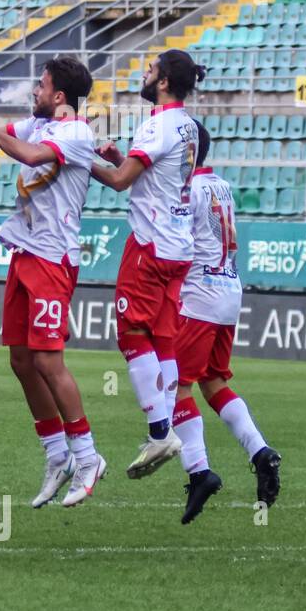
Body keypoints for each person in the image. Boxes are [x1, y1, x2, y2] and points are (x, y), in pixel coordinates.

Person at [0, 57, 107, 508]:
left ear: (59, 96)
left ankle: (88, 455)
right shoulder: (39, 124)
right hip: (25, 252)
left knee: (48, 360)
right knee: (21, 360)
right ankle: (57, 454)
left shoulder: (75, 132)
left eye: (40, 85)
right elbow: (4, 137)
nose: (34, 92)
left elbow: (29, 156)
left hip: (53, 259)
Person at [90, 50, 204, 498]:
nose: (144, 72)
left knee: (131, 332)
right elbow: (149, 174)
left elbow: (120, 182)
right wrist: (122, 160)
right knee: (162, 338)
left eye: (151, 68)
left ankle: (160, 432)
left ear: (163, 81)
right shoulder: (189, 126)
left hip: (150, 244)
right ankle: (166, 426)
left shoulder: (157, 124)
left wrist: (78, 160)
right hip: (179, 247)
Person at [169, 121, 280, 521]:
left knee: (173, 386)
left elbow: (179, 244)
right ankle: (261, 452)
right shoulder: (220, 185)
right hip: (229, 289)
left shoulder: (189, 190)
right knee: (213, 382)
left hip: (199, 296)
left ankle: (199, 471)